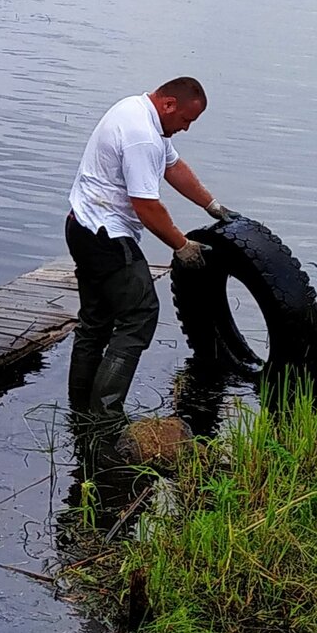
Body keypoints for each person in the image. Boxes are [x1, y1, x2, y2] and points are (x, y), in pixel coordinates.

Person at [65, 76, 236, 417]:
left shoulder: (138, 111)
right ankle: (105, 416)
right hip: (106, 236)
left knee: (96, 321)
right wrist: (182, 245)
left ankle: (79, 406)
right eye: (186, 120)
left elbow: (174, 167)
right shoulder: (142, 135)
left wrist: (212, 205)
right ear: (169, 104)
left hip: (80, 225)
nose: (186, 128)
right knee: (140, 315)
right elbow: (146, 207)